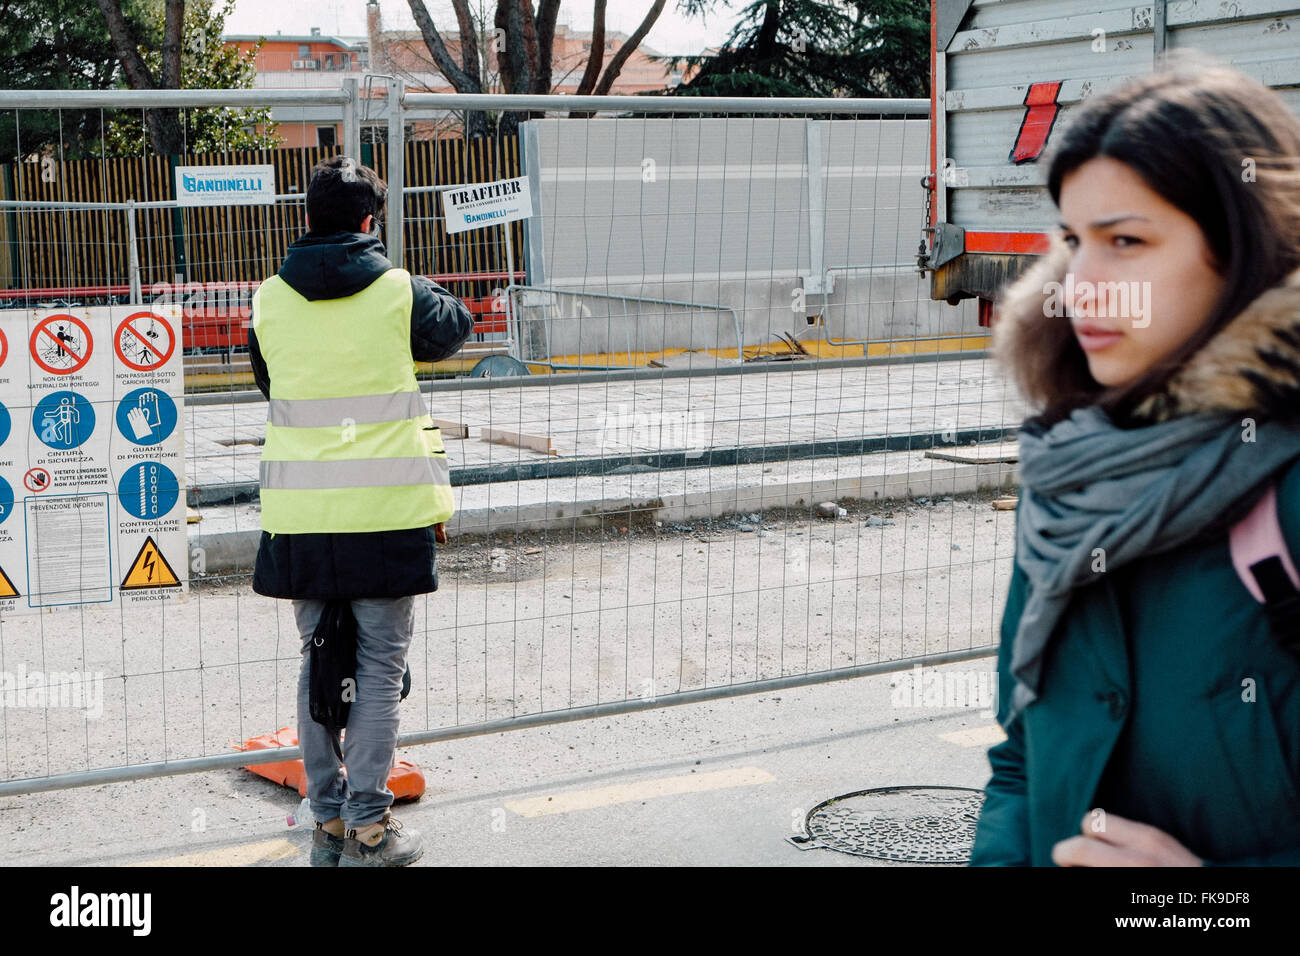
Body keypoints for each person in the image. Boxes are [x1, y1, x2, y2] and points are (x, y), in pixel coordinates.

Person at [970, 54, 1300, 866]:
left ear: (1244, 248)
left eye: (1127, 241)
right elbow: (1021, 760)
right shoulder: (1068, 469)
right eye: (1074, 241)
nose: (1081, 287)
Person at [247, 156, 473, 866]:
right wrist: (403, 279)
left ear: (305, 218)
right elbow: (455, 329)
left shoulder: (267, 300)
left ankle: (328, 821)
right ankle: (371, 826)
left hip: (301, 517)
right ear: (372, 222)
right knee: (377, 667)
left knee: (316, 662)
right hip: (386, 512)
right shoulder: (399, 292)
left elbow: (269, 380)